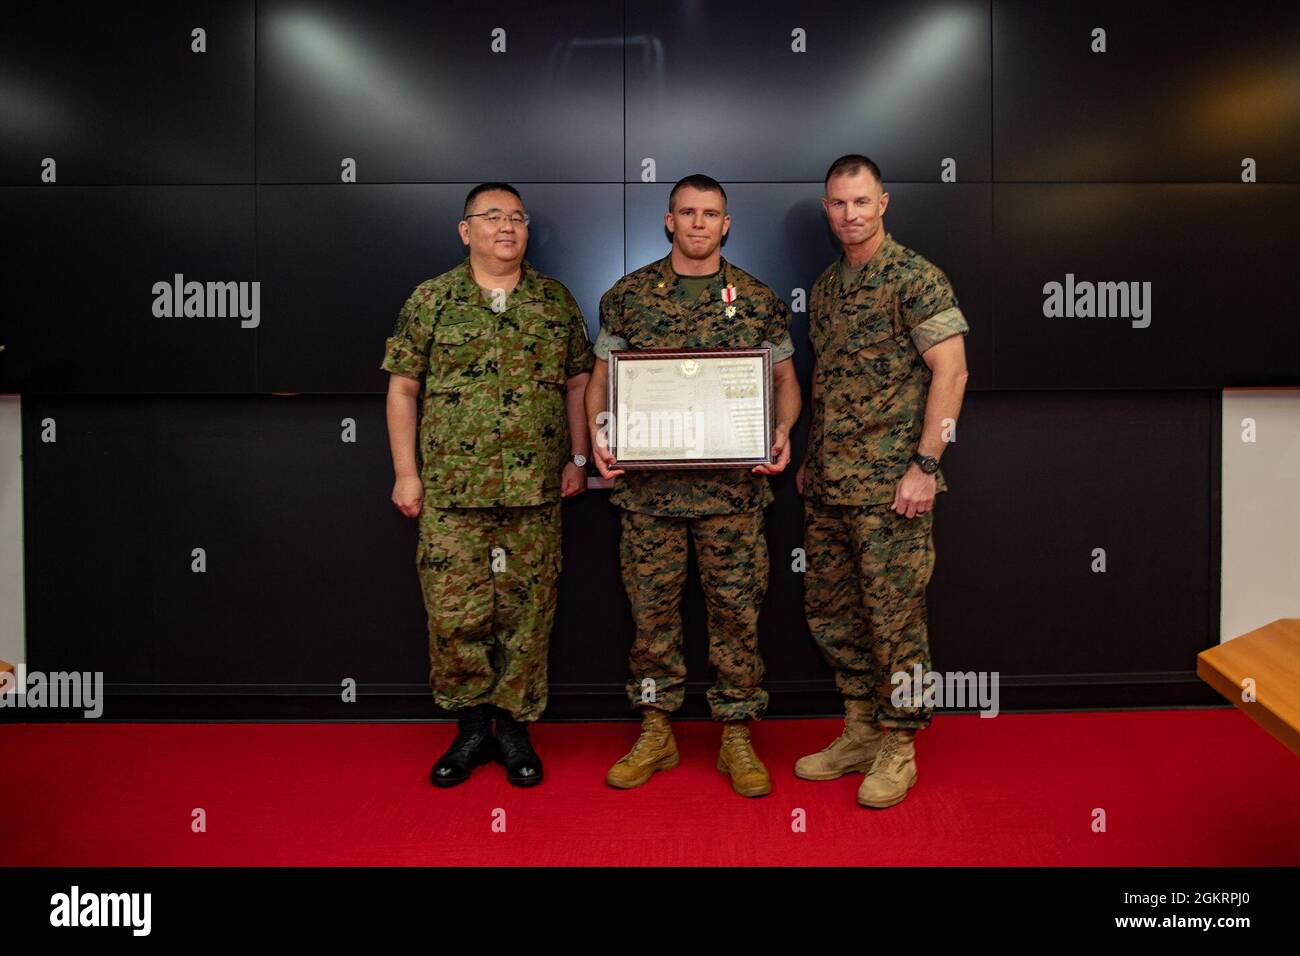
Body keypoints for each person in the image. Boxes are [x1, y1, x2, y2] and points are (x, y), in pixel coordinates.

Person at [585, 174, 801, 798]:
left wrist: (781, 431)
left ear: (726, 224)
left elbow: (785, 382)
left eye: (711, 214)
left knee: (736, 615)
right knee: (651, 619)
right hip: (649, 497)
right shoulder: (627, 296)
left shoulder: (757, 300)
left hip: (732, 496)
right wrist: (600, 434)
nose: (699, 223)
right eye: (688, 212)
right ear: (669, 220)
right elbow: (601, 380)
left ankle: (736, 733)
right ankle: (657, 730)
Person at [381, 182, 593, 787]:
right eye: (492, 216)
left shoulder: (554, 300)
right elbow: (403, 388)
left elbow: (578, 384)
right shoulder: (433, 300)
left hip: (534, 494)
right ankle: (472, 728)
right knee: (455, 618)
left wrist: (578, 456)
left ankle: (517, 729)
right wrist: (405, 473)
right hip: (452, 494)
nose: (507, 227)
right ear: (464, 229)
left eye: (517, 217)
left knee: (529, 616)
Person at [795, 154, 970, 808]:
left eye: (861, 202)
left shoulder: (915, 278)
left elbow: (951, 373)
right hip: (833, 486)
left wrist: (926, 466)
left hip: (894, 489)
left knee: (895, 622)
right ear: (827, 207)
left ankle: (900, 745)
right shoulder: (825, 286)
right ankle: (862, 730)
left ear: (884, 202)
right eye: (839, 203)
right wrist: (813, 458)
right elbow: (829, 379)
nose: (850, 215)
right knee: (834, 616)